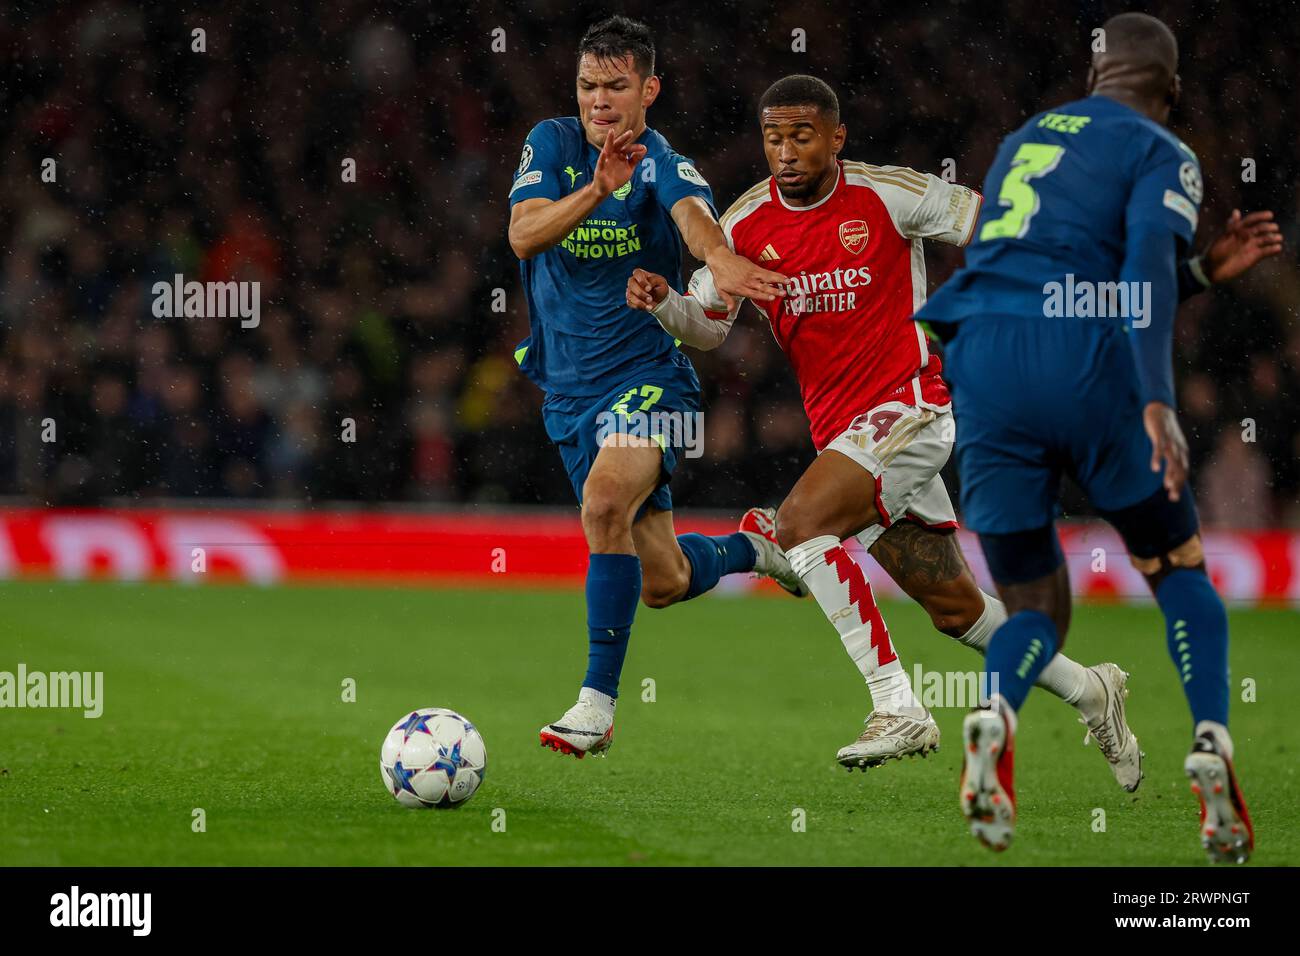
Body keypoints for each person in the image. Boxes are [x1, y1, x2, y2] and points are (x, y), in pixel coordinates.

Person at [627, 75, 1142, 788]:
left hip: (912, 409)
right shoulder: (743, 225)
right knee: (957, 611)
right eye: (774, 136)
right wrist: (665, 307)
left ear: (836, 138)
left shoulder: (885, 194)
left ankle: (897, 705)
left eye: (802, 135)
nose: (785, 150)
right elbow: (709, 327)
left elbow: (988, 223)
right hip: (848, 440)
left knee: (801, 523)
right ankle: (1094, 691)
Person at [915, 12, 1281, 860]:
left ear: (1095, 78)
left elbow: (1057, 267)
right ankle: (1211, 742)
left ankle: (995, 713)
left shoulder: (1022, 138)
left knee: (1036, 605)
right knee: (1176, 564)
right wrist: (1155, 396)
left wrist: (1201, 274)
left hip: (985, 358)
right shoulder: (1164, 152)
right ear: (1172, 90)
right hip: (1083, 366)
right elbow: (1140, 266)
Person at [506, 16, 797, 759]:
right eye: (587, 85)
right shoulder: (553, 143)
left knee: (604, 502)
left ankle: (595, 708)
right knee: (663, 580)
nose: (598, 101)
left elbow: (693, 219)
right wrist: (595, 189)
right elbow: (524, 233)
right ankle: (752, 549)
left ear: (649, 89)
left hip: (649, 382)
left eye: (616, 86)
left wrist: (720, 259)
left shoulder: (665, 161)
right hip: (568, 393)